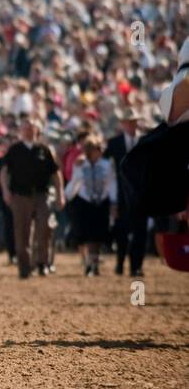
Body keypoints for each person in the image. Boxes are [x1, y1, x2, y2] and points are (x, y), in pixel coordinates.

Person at [2, 118, 65, 278]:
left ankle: (42, 263)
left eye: (32, 128)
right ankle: (24, 267)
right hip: (20, 196)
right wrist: (5, 191)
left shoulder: (44, 149)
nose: (29, 131)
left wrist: (60, 194)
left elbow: (56, 173)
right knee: (22, 233)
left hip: (41, 195)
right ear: (21, 131)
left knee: (44, 229)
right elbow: (4, 172)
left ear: (37, 130)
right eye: (26, 128)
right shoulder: (14, 150)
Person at [104, 107, 147, 276]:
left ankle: (136, 266)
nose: (131, 125)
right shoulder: (114, 143)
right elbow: (105, 164)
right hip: (121, 194)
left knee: (140, 232)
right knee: (122, 230)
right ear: (122, 124)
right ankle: (120, 262)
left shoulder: (144, 141)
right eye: (128, 122)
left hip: (141, 193)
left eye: (134, 122)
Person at [66, 134, 116, 276]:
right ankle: (90, 263)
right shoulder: (80, 165)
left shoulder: (107, 165)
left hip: (102, 204)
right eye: (93, 149)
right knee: (87, 236)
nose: (97, 151)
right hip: (85, 204)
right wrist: (66, 195)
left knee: (98, 236)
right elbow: (75, 182)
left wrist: (114, 202)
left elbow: (111, 184)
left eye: (98, 149)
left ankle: (94, 263)